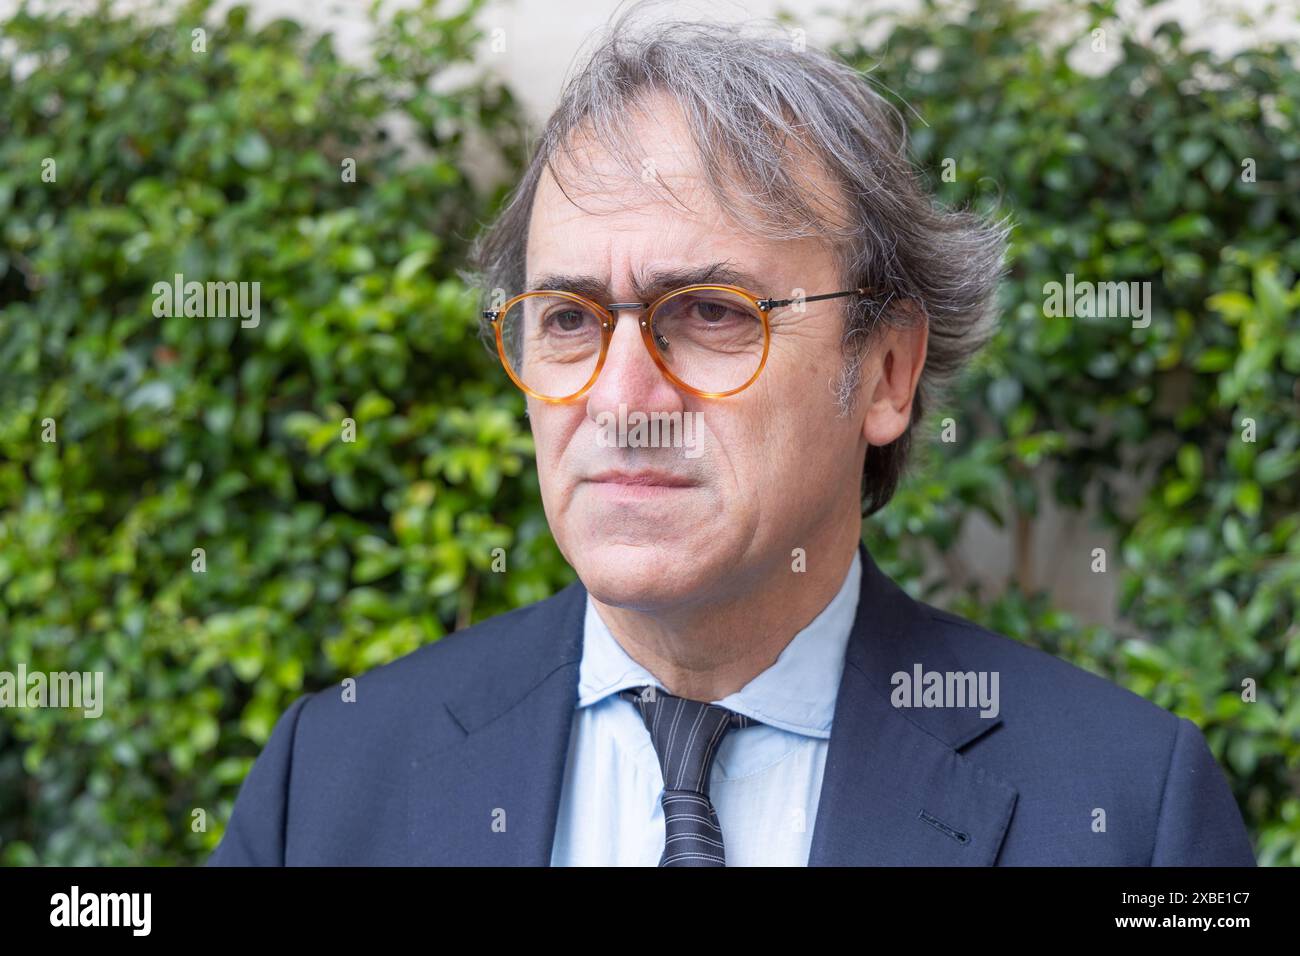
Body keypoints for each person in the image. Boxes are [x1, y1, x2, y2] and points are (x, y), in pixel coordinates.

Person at [208, 10, 1254, 867]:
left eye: (709, 312)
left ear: (885, 372)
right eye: (568, 318)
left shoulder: (1123, 810)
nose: (621, 398)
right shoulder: (333, 775)